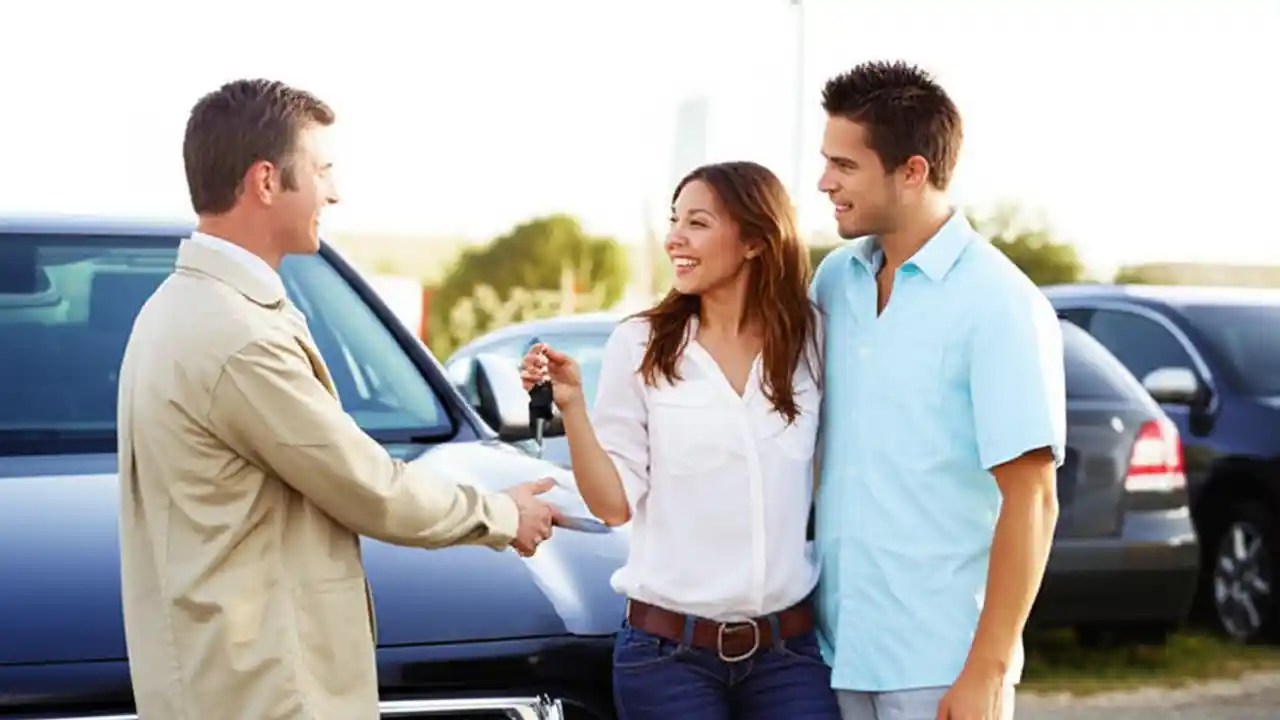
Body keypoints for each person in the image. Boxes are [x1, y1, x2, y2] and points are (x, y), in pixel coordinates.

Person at [116, 78, 561, 720]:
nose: (335, 191)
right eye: (322, 170)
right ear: (266, 181)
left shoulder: (177, 309)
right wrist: (501, 514)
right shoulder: (236, 334)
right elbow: (367, 485)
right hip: (269, 694)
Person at [520, 160, 841, 719]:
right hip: (669, 660)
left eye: (697, 223)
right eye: (674, 221)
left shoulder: (811, 339)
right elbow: (613, 503)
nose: (675, 239)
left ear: (754, 242)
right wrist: (571, 405)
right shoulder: (641, 344)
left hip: (789, 656)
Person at [809, 60, 1066, 720]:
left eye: (845, 165)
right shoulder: (835, 282)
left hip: (941, 668)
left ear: (913, 171)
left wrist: (988, 669)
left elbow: (1033, 500)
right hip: (834, 652)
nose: (824, 182)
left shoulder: (999, 303)